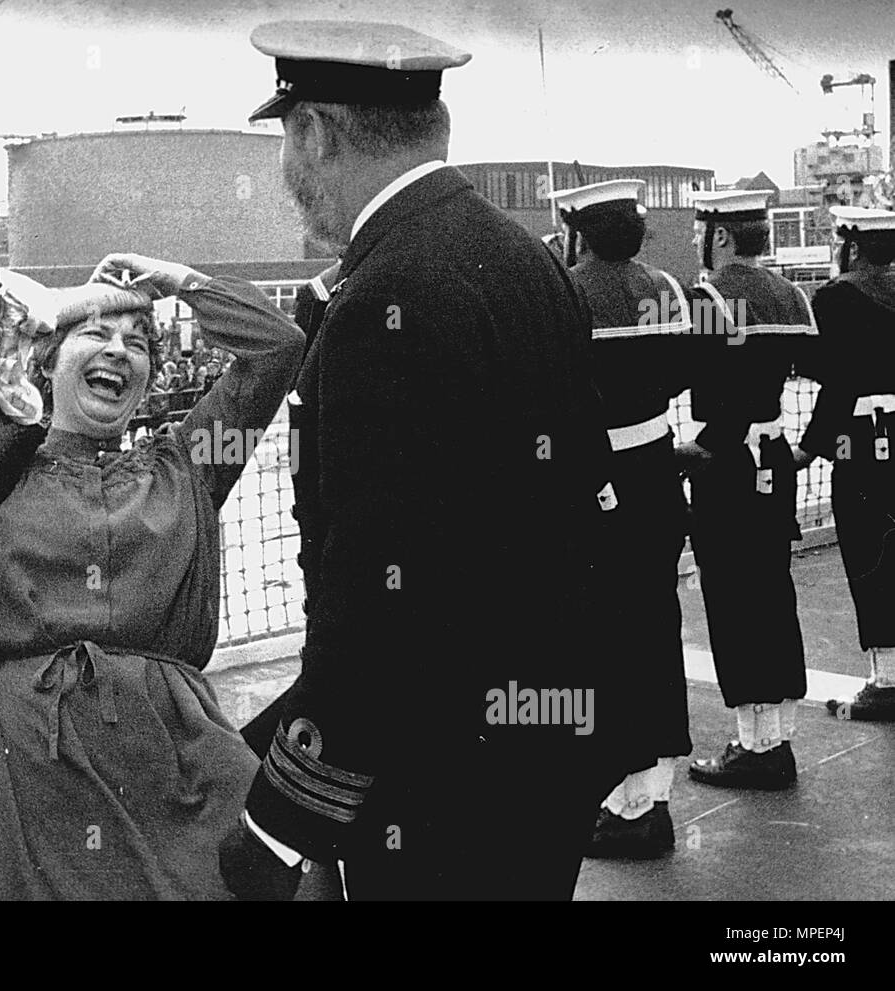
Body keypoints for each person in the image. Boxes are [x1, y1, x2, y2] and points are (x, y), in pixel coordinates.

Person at [220, 20, 623, 901]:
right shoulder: (524, 257)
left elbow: (380, 592)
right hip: (537, 745)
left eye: (288, 140)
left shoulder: (384, 295)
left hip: (437, 776)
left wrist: (282, 819)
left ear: (314, 133)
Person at [0, 258, 304, 899]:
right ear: (47, 357)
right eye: (96, 332)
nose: (119, 350)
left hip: (171, 775)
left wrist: (178, 281)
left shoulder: (188, 466)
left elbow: (278, 347)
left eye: (138, 342)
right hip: (18, 782)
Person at [549, 180, 695, 859]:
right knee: (654, 627)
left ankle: (626, 804)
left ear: (580, 231)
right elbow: (681, 375)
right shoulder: (666, 286)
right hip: (658, 471)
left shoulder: (567, 291)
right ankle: (653, 793)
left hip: (595, 483)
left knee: (600, 639)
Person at [679, 190, 817, 790]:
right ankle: (777, 736)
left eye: (700, 232)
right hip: (776, 455)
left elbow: (685, 373)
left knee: (734, 599)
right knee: (771, 591)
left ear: (723, 238)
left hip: (728, 460)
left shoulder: (709, 300)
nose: (694, 243)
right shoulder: (791, 295)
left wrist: (701, 446)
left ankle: (753, 745)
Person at [794, 206, 895, 721]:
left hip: (861, 440)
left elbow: (830, 378)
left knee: (869, 556)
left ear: (852, 247)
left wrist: (810, 447)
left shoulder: (836, 297)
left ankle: (886, 681)